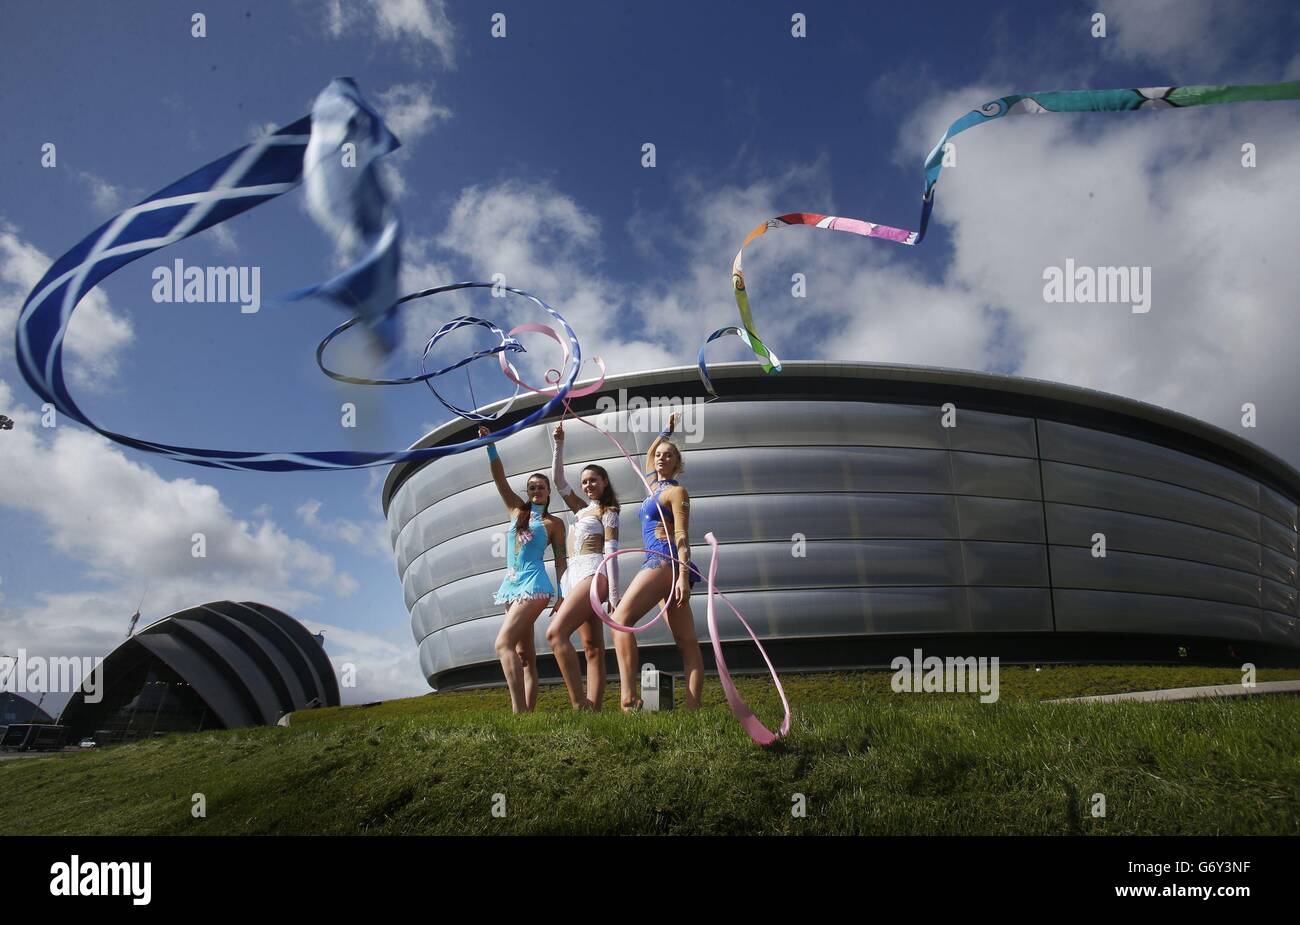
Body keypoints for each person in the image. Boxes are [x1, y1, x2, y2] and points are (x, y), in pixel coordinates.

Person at [608, 412, 704, 712]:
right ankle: (691, 712)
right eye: (660, 455)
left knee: (620, 620)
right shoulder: (653, 485)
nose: (661, 458)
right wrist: (666, 430)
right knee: (687, 643)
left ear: (678, 463)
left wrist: (681, 577)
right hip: (658, 563)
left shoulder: (676, 492)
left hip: (665, 561)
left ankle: (629, 698)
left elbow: (682, 537)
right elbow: (650, 451)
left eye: (668, 455)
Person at [478, 425, 567, 712]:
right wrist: (490, 444)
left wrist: (562, 595)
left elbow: (560, 560)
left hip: (535, 586)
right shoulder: (517, 510)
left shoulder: (554, 524)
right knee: (524, 656)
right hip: (511, 588)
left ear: (548, 491)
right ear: (527, 492)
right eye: (532, 487)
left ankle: (518, 715)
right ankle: (529, 717)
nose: (536, 490)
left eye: (541, 486)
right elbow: (499, 478)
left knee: (502, 644)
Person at [544, 422, 620, 710]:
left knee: (556, 634)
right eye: (585, 481)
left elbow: (612, 550)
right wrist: (559, 443)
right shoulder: (580, 508)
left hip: (594, 573)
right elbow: (558, 480)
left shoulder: (608, 511)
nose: (588, 485)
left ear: (604, 483)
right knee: (592, 649)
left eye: (594, 480)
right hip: (574, 578)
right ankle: (595, 710)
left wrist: (613, 595)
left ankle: (579, 704)